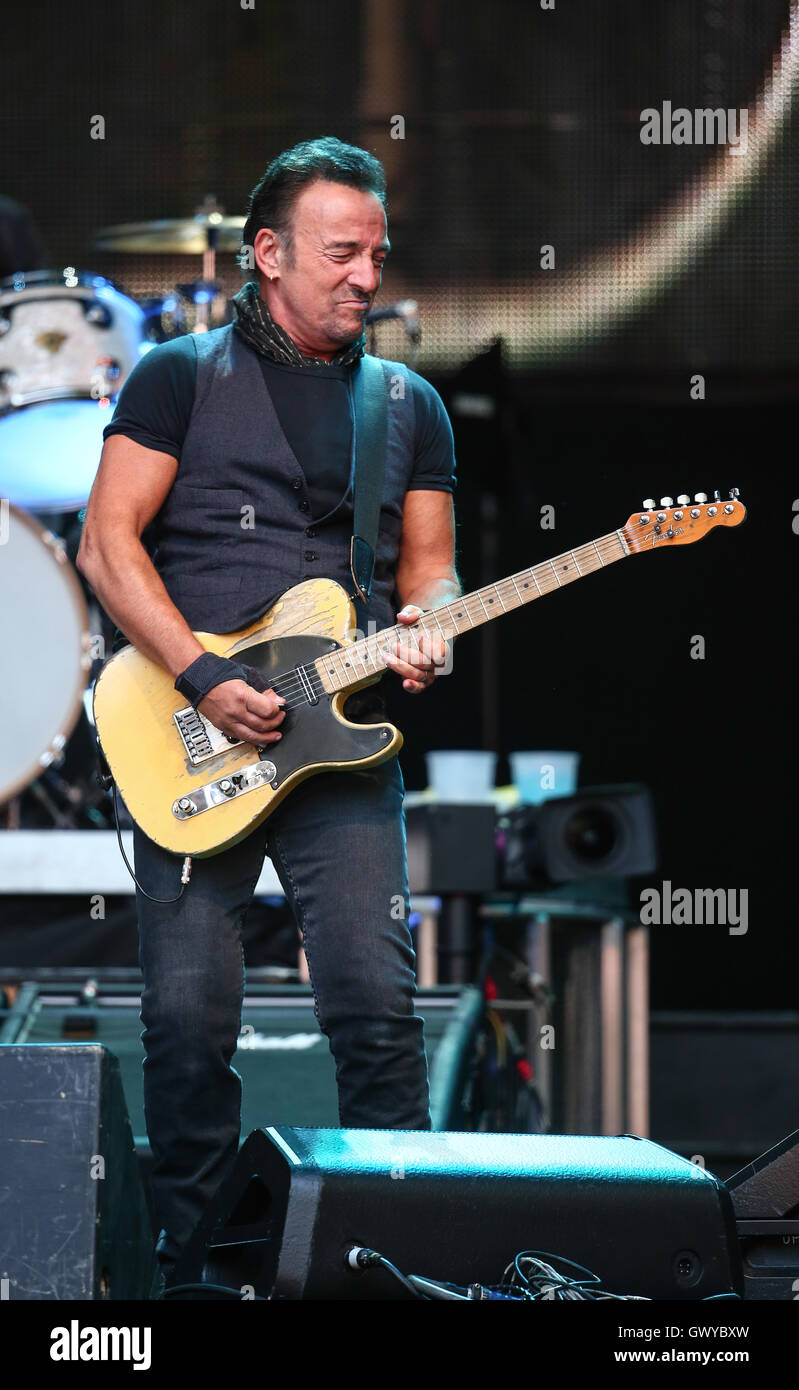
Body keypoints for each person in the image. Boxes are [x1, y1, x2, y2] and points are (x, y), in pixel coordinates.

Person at [76, 136, 460, 1283]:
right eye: (341, 253)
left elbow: (429, 566)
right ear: (267, 254)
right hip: (191, 725)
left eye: (376, 255)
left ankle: (392, 1260)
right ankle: (197, 1271)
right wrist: (201, 676)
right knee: (188, 1027)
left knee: (375, 1006)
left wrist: (431, 619)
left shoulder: (406, 402)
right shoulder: (178, 376)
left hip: (338, 746)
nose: (364, 275)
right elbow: (105, 544)